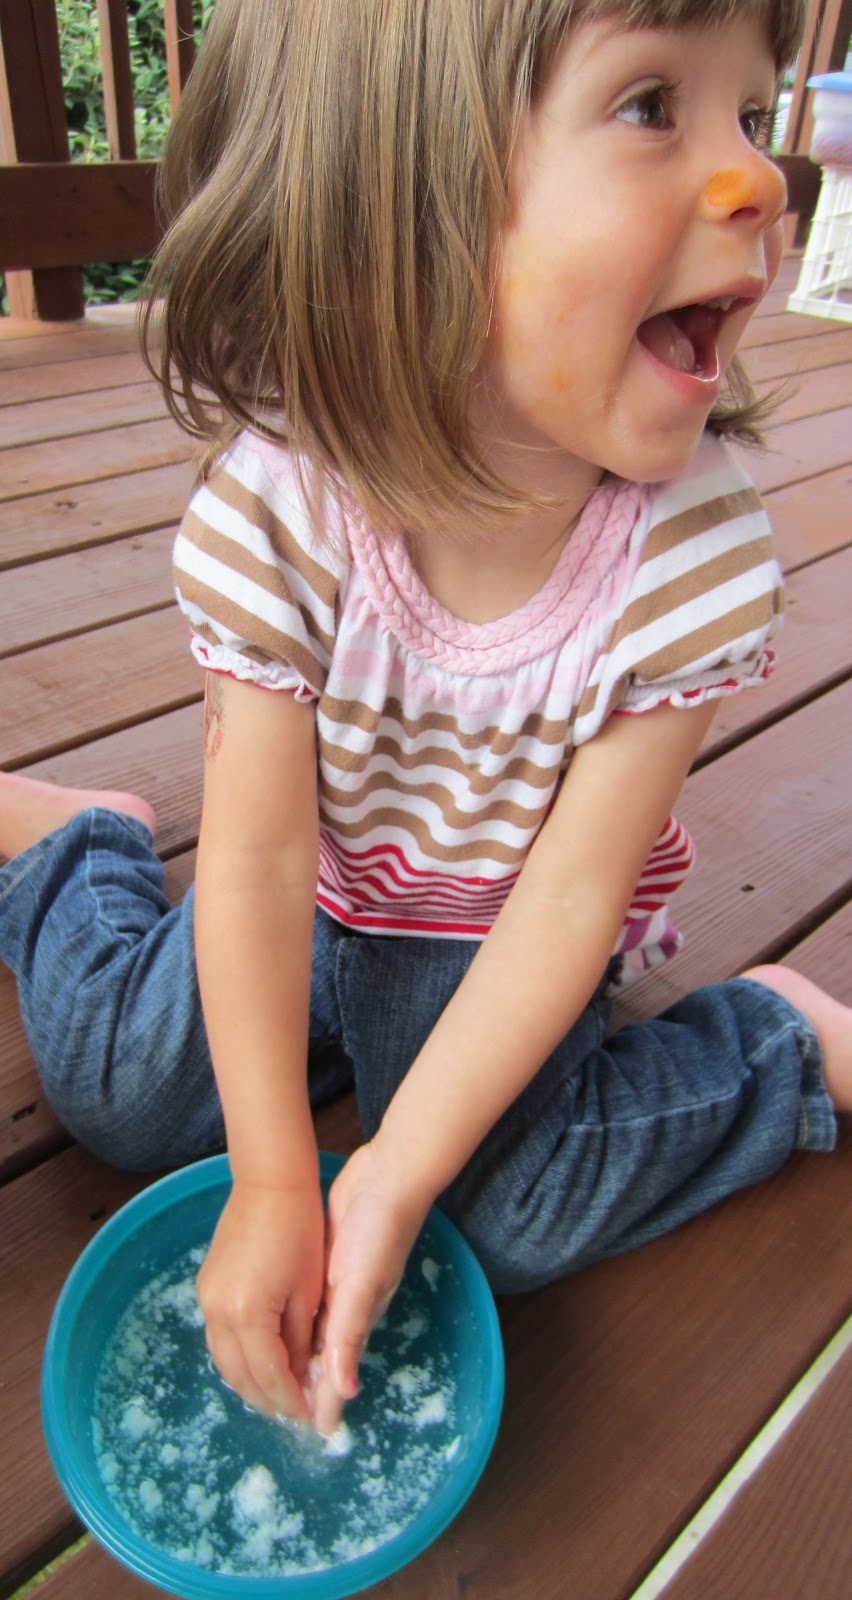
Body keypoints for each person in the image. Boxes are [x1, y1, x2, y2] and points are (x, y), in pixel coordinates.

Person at [1, 0, 849, 1441]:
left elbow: (574, 897)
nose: (756, 181)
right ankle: (78, 846)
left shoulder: (694, 558)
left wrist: (388, 1175)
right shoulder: (279, 511)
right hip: (321, 893)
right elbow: (263, 864)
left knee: (508, 1218)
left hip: (504, 931)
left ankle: (777, 1043)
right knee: (124, 1100)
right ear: (403, 199)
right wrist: (279, 1176)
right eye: (653, 105)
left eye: (751, 115)